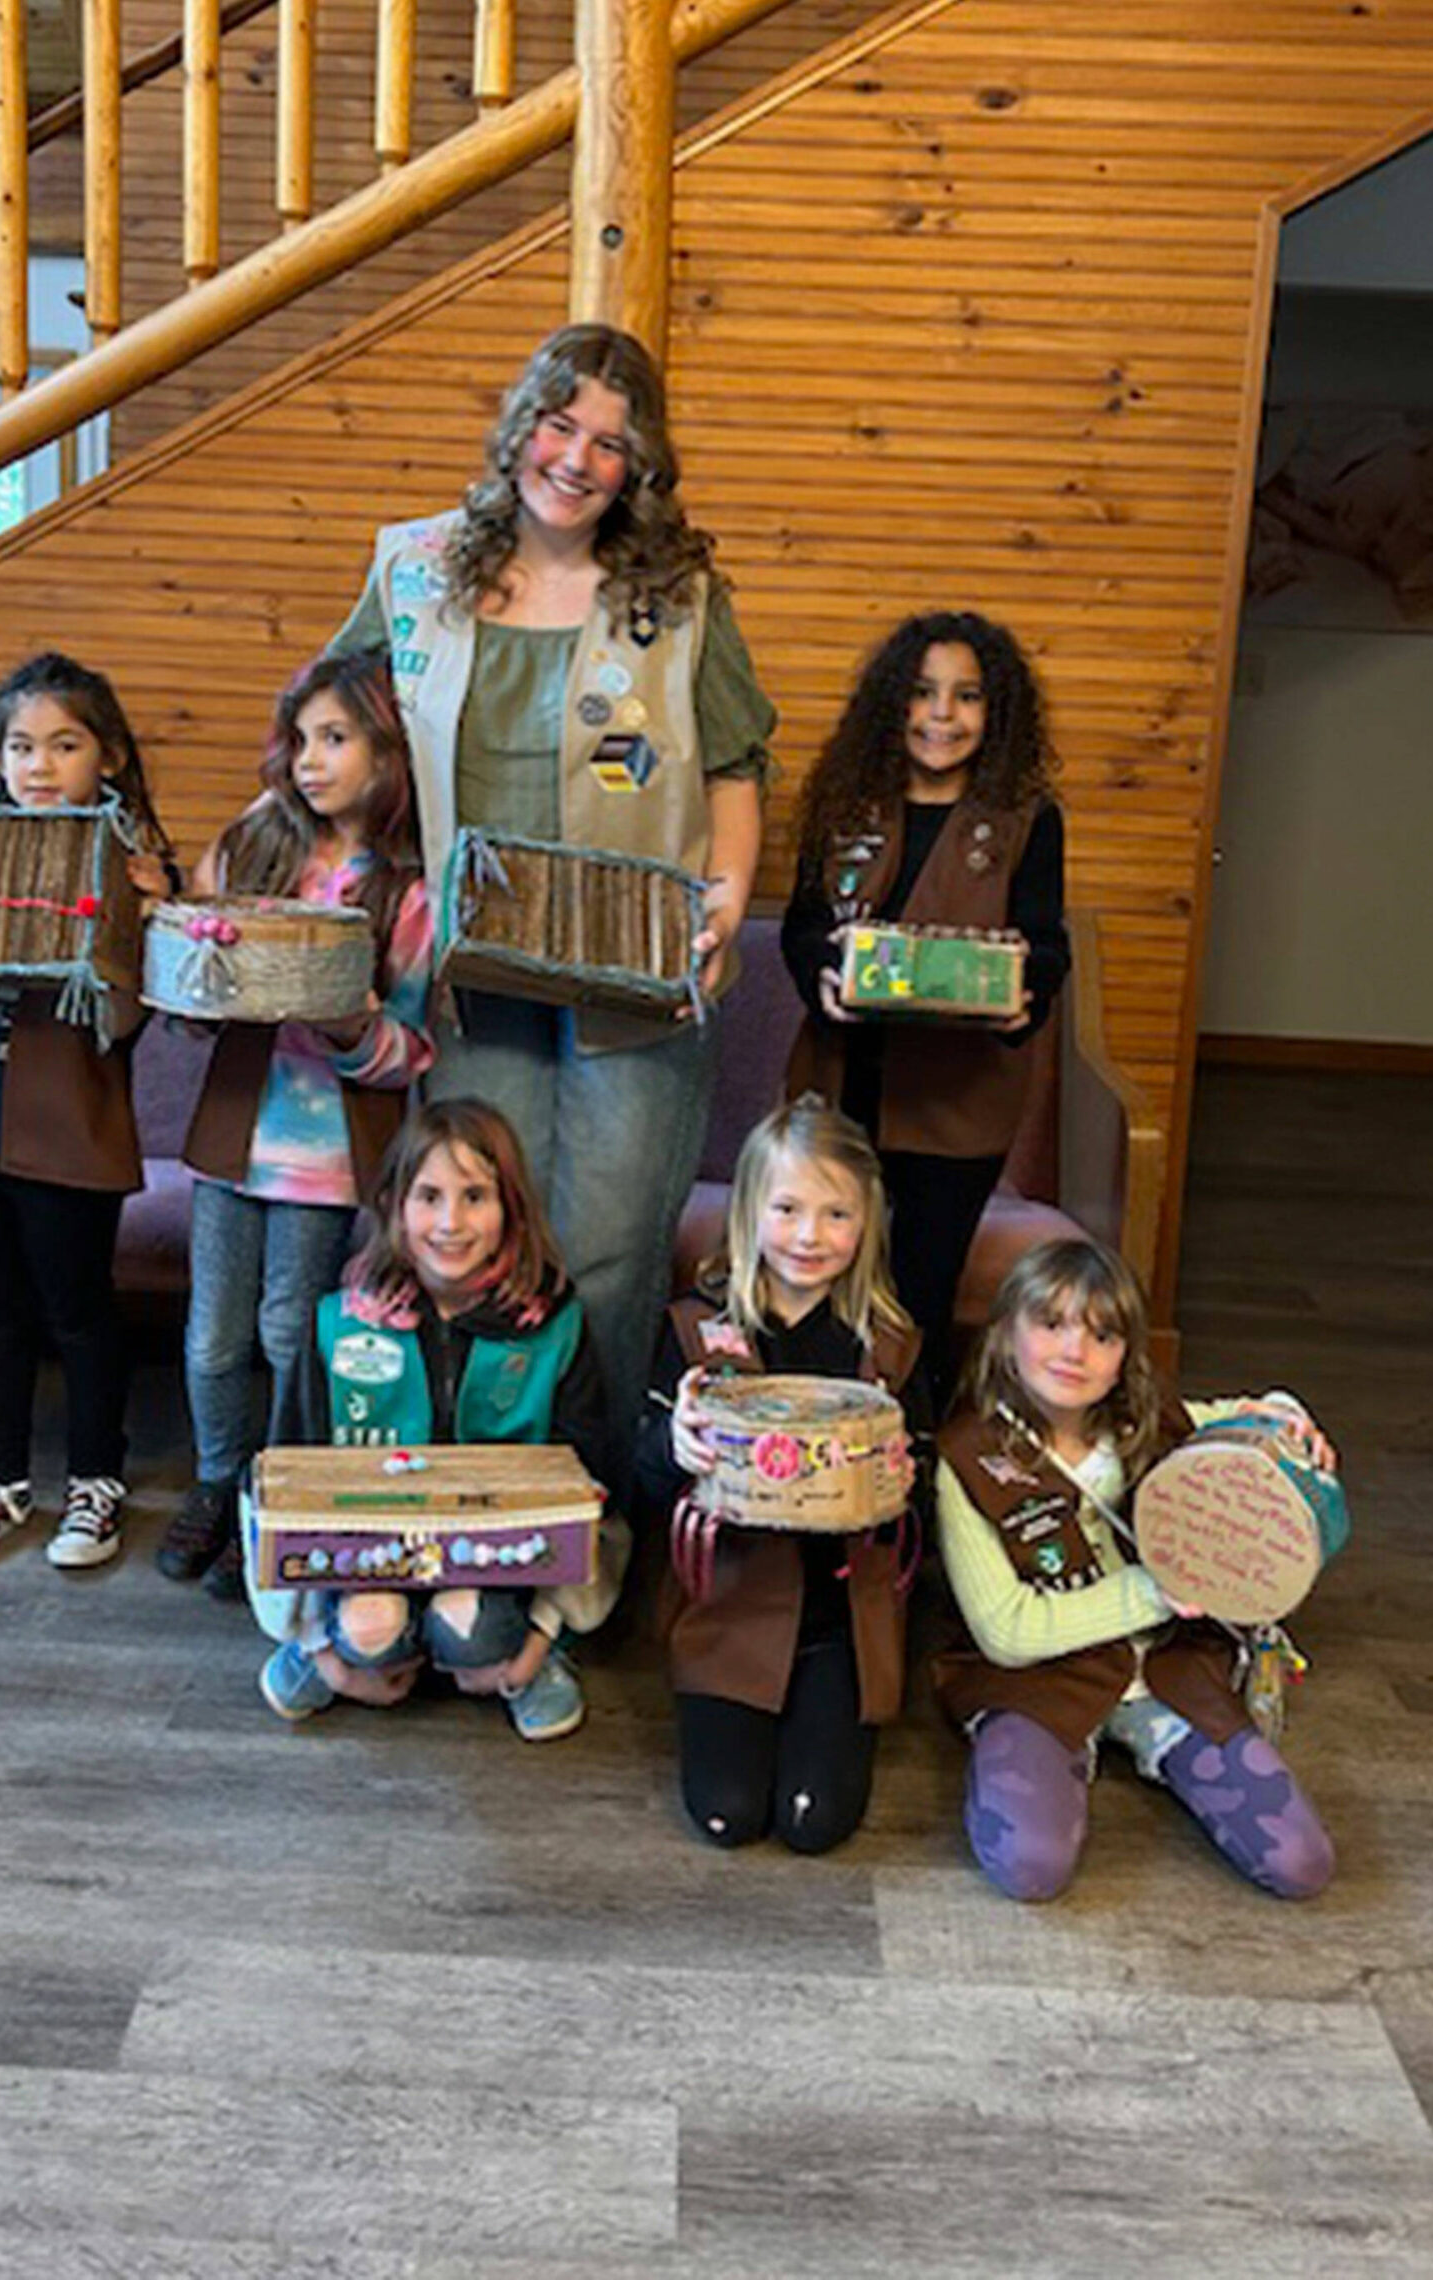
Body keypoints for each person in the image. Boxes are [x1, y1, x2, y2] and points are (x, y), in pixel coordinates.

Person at [326, 323, 776, 1468]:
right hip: (470, 976)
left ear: (640, 467)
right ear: (522, 426)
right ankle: (481, 1497)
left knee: (614, 1245)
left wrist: (724, 903)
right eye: (560, 424)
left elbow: (734, 765)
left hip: (633, 967)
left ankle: (591, 1505)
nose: (576, 458)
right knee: (479, 1230)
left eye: (610, 443)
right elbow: (332, 730)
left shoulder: (677, 595)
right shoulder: (417, 569)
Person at [934, 1239, 1336, 1901]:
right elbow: (1004, 1632)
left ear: (1125, 1356)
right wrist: (1153, 1592)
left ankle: (1142, 1740)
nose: (1074, 1351)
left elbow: (1246, 1415)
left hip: (1165, 1672)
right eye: (1052, 1324)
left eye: (1102, 1334)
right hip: (1039, 1679)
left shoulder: (1151, 1424)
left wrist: (1289, 1417)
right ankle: (1060, 1752)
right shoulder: (967, 1457)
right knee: (1030, 1867)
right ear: (1005, 1334)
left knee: (1301, 1863)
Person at [157, 650, 433, 1598]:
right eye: (301, 739)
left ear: (389, 751)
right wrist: (194, 968)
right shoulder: (255, 842)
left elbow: (411, 1050)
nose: (310, 760)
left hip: (327, 1159)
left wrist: (350, 1025)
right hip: (230, 1141)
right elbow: (190, 976)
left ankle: (273, 1497)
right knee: (210, 1338)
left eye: (337, 738)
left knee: (287, 1333)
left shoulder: (409, 890)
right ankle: (214, 1481)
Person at [0, 651, 173, 1573]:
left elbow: (125, 1026)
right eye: (20, 746)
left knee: (78, 1308)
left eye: (63, 744)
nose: (38, 766)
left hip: (69, 1119)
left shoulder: (135, 869)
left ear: (111, 757)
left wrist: (136, 929)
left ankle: (95, 1480)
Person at [252, 1098, 618, 1742]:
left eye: (475, 1196)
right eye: (429, 1196)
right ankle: (344, 1643)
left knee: (474, 1632)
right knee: (370, 1630)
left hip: (495, 1567)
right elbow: (275, 1484)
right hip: (365, 1564)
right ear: (395, 1204)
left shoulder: (554, 1325)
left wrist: (540, 1637)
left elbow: (596, 1493)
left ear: (510, 1207)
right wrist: (322, 1653)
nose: (451, 1222)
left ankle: (509, 1658)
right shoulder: (337, 1323)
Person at [781, 609, 1070, 1417]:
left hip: (956, 1107)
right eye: (920, 693)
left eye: (967, 696)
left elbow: (1044, 947)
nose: (941, 716)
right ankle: (807, 1465)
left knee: (916, 1298)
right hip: (839, 1093)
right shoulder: (842, 802)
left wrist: (1020, 997)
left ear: (997, 711)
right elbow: (805, 929)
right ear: (889, 704)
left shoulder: (1025, 819)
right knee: (820, 1292)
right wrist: (822, 981)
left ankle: (902, 1487)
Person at [636, 1097, 925, 1854]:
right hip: (728, 1609)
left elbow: (921, 1482)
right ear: (748, 1212)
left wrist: (898, 1479)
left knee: (812, 1821)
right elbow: (635, 1480)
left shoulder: (888, 1344)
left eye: (836, 1215)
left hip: (842, 1622)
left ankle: (823, 1714)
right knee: (729, 1816)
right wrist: (673, 1445)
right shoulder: (693, 1329)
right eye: (787, 1208)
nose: (808, 1236)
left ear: (867, 1222)